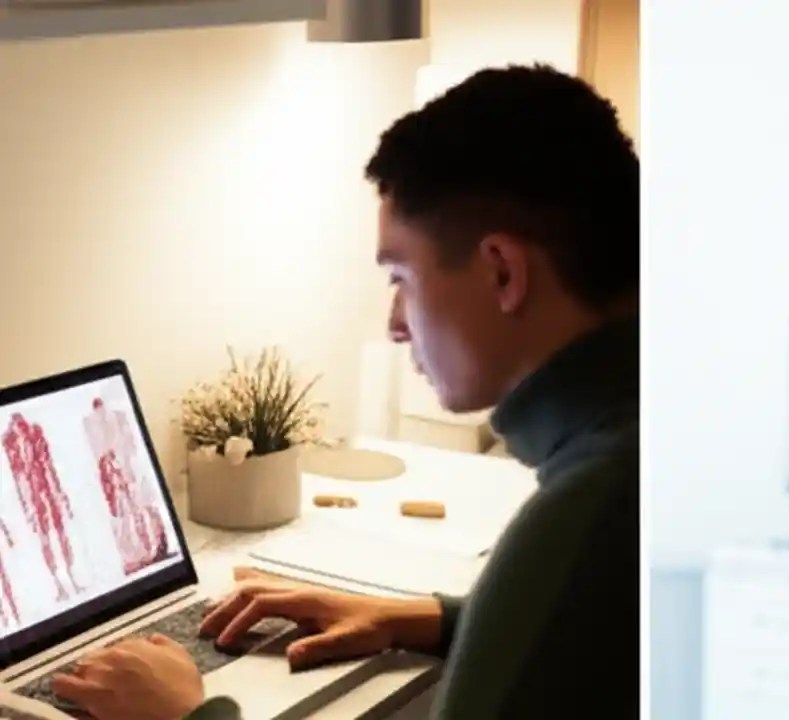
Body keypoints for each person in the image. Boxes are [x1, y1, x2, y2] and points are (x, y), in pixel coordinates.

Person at [47, 63, 640, 720]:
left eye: (401, 278)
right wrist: (417, 618)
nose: (395, 323)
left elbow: (565, 602)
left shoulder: (592, 513)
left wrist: (182, 715)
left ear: (502, 272)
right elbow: (577, 641)